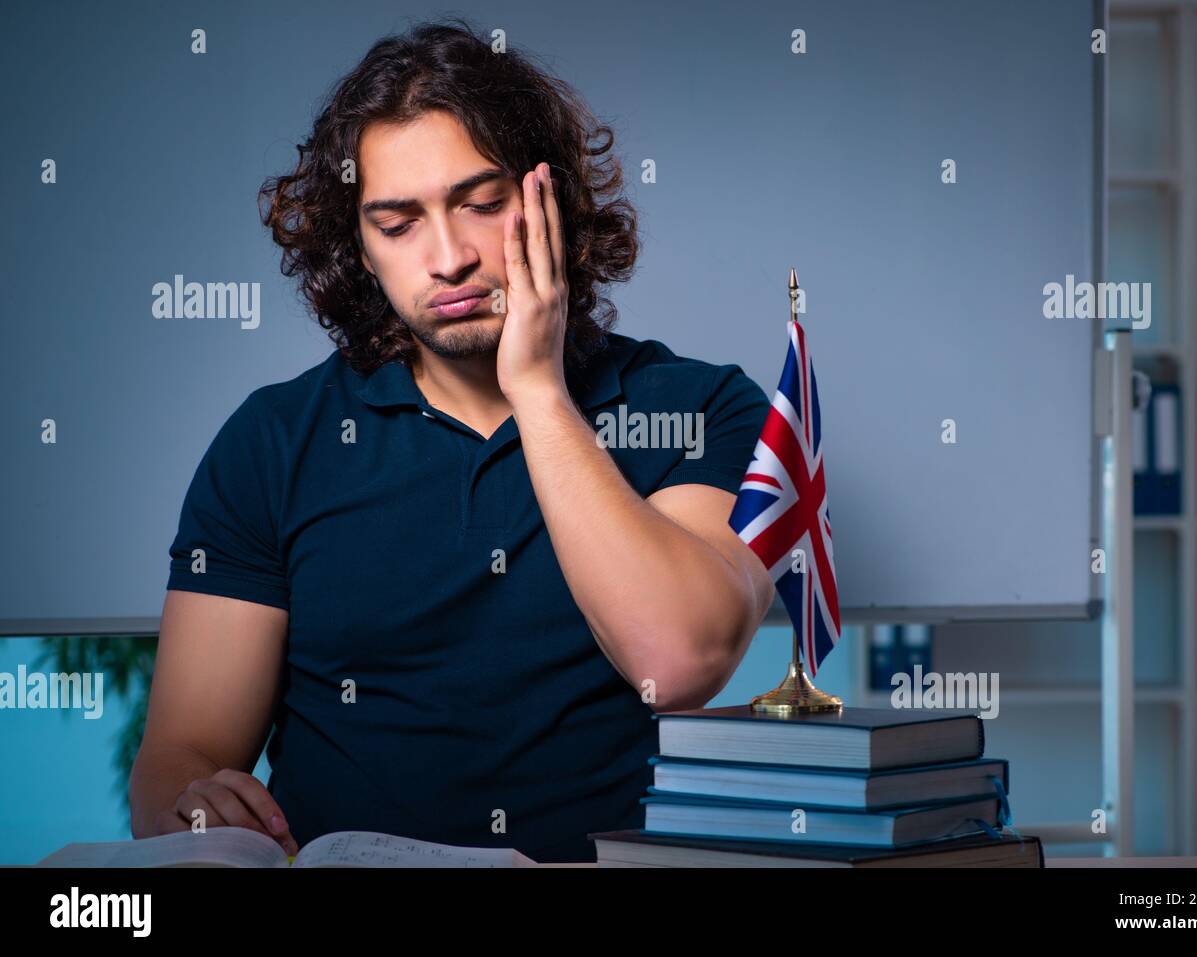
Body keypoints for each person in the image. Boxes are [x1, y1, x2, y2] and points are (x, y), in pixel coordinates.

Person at [128, 18, 774, 864]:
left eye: (482, 205)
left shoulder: (701, 407)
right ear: (358, 248)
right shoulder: (272, 442)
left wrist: (537, 389)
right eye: (397, 224)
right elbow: (177, 762)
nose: (448, 258)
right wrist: (201, 804)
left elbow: (680, 658)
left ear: (553, 201)